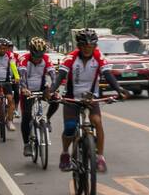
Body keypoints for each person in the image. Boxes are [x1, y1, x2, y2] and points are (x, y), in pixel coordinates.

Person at [51, 28, 128, 173]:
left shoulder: (98, 57)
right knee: (70, 127)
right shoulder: (71, 58)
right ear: (79, 46)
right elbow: (61, 75)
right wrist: (51, 90)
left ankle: (99, 157)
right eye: (85, 46)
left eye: (91, 46)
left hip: (91, 98)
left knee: (97, 122)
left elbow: (108, 74)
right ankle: (65, 154)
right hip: (72, 98)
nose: (88, 49)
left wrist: (119, 90)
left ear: (95, 46)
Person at [18, 36, 59, 158]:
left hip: (42, 87)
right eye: (36, 56)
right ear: (31, 52)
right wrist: (24, 89)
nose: (38, 59)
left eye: (40, 56)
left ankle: (48, 119)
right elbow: (22, 75)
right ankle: (26, 144)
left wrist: (53, 89)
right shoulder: (23, 59)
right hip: (27, 90)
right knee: (26, 116)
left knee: (56, 99)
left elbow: (53, 75)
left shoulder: (46, 59)